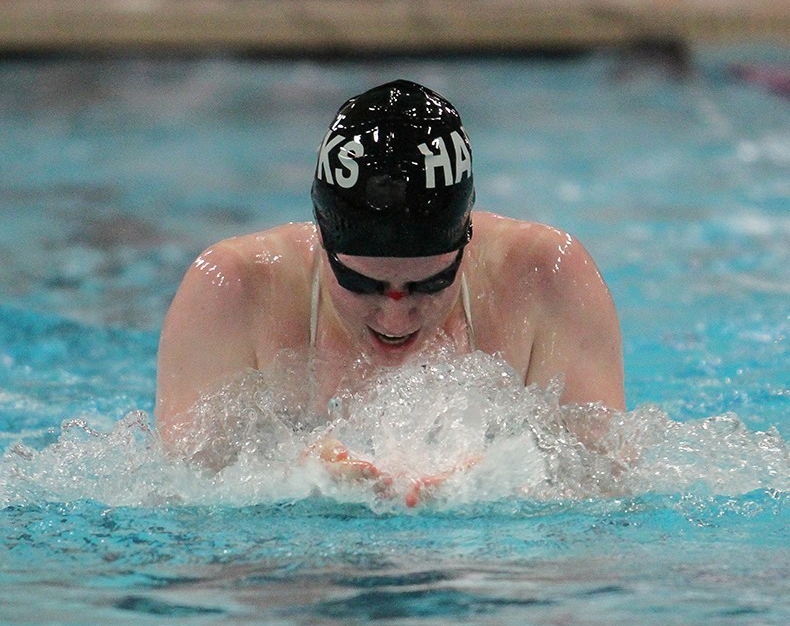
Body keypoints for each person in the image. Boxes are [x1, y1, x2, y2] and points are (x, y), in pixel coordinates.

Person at [155, 80, 624, 498]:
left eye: (431, 283)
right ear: (322, 239)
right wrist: (296, 480)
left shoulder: (548, 276)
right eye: (361, 284)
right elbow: (181, 495)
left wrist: (499, 484)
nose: (395, 318)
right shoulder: (233, 288)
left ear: (466, 239)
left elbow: (607, 486)